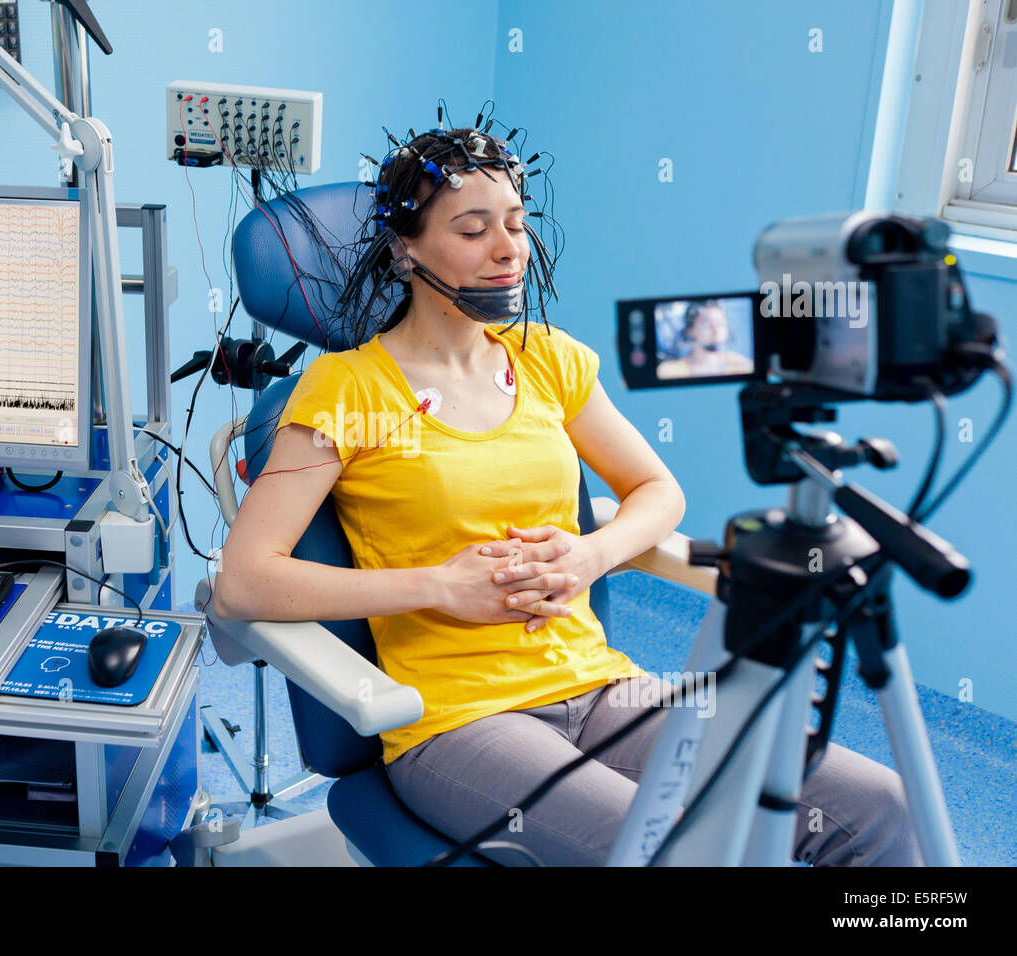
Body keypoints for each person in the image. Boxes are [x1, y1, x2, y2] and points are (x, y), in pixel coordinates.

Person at [212, 123, 922, 867]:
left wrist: (592, 553)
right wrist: (441, 586)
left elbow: (656, 490)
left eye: (517, 224)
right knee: (675, 850)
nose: (507, 247)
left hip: (602, 687)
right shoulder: (347, 386)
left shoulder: (547, 360)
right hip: (459, 719)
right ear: (404, 249)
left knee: (878, 809)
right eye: (473, 228)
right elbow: (244, 580)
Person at [656, 299, 753, 379]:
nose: (716, 331)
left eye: (720, 324)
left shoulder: (741, 365)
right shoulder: (668, 371)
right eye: (707, 325)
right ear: (691, 330)